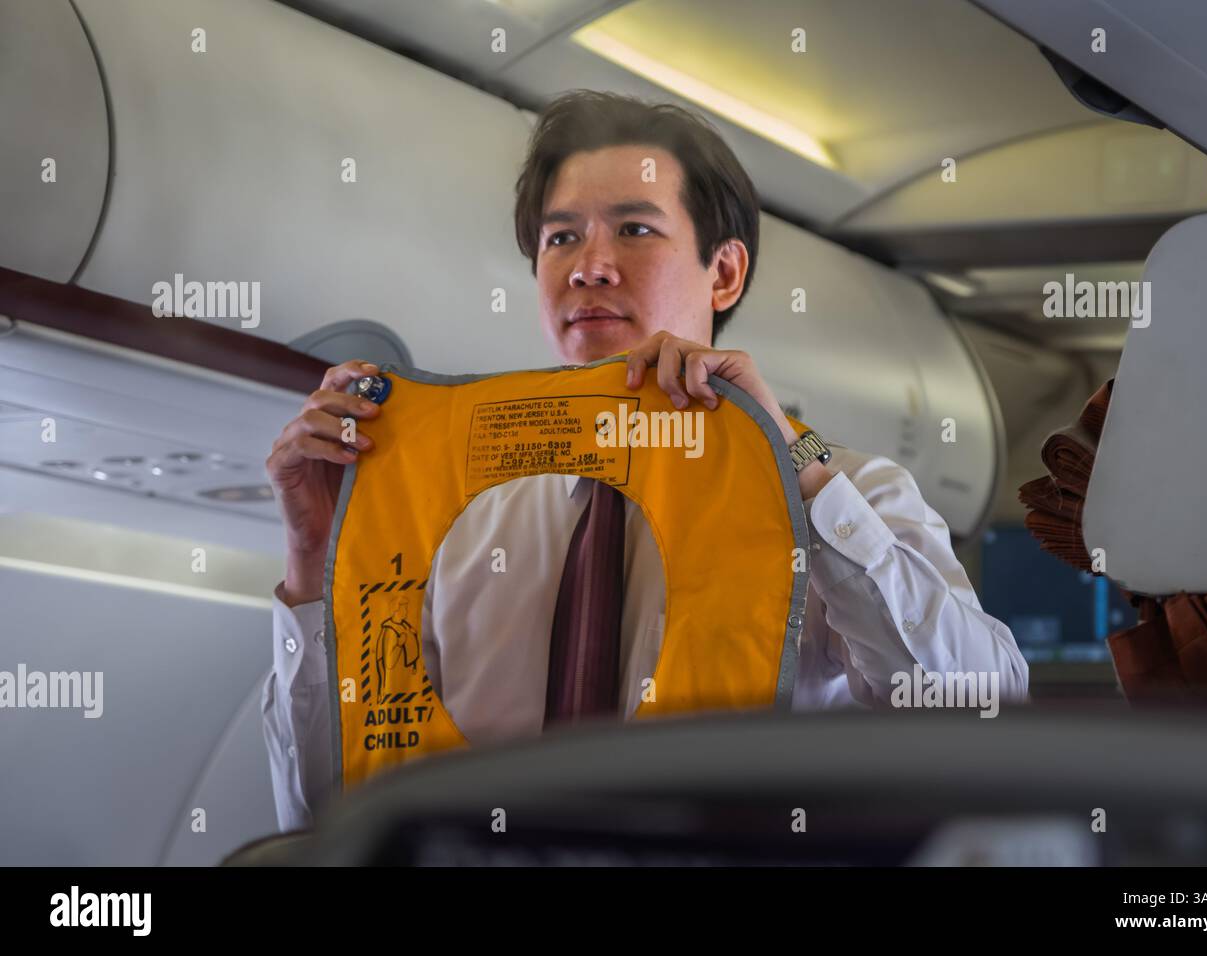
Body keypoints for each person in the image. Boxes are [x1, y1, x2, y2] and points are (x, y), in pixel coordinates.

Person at [261, 90, 1028, 831]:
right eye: (561, 238)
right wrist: (317, 561)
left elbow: (981, 710)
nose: (589, 267)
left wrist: (797, 459)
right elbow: (327, 815)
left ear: (723, 273)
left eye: (633, 230)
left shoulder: (841, 489)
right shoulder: (463, 523)